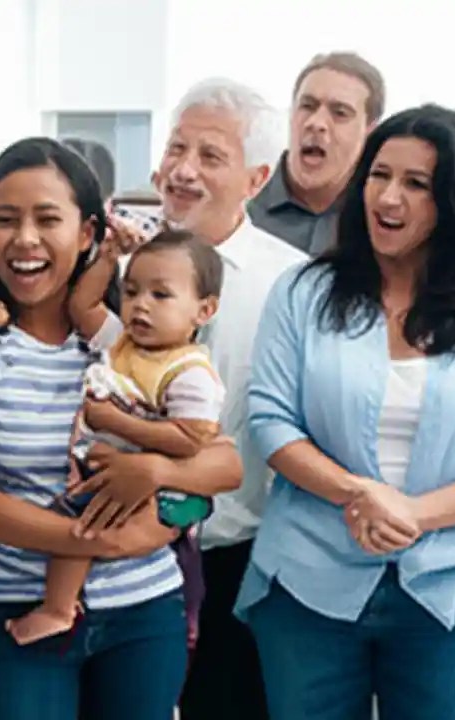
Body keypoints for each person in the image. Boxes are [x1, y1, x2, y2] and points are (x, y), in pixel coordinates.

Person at [0, 137, 243, 720]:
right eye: (5, 220)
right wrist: (110, 542)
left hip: (145, 614)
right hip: (21, 612)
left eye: (47, 219)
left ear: (87, 234)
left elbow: (223, 464)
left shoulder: (131, 340)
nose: (25, 239)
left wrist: (152, 474)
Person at [241, 104, 455, 720]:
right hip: (307, 578)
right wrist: (360, 495)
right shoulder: (304, 292)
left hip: (449, 589)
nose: (388, 197)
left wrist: (413, 513)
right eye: (379, 175)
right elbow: (271, 421)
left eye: (416, 184)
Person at [0, 228, 227, 646]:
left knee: (75, 521)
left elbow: (191, 439)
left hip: (147, 491)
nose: (140, 304)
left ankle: (57, 608)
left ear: (204, 309)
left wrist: (114, 422)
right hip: (109, 472)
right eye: (131, 292)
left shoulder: (190, 373)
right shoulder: (122, 343)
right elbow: (83, 304)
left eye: (160, 295)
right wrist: (108, 257)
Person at [144, 79, 309, 720]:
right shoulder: (115, 263)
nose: (182, 170)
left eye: (210, 156)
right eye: (176, 147)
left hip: (241, 562)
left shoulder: (291, 284)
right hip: (124, 550)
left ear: (257, 177)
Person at [248, 52, 385, 255]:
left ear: (369, 131)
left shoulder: (381, 219)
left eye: (340, 113)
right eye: (307, 106)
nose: (316, 123)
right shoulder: (241, 201)